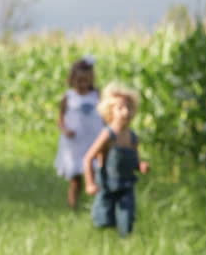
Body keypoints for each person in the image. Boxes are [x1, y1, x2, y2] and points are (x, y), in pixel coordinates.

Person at [83, 83, 150, 237]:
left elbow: (135, 159)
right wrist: (90, 183)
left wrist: (141, 166)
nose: (125, 112)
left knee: (127, 214)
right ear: (110, 110)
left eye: (129, 107)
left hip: (126, 182)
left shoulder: (132, 137)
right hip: (107, 183)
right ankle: (103, 237)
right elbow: (88, 158)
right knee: (104, 217)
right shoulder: (108, 135)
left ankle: (125, 237)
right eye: (120, 108)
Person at [54, 56, 104, 210]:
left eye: (86, 81)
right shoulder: (68, 97)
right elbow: (60, 118)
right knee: (75, 179)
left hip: (93, 141)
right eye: (79, 81)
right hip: (74, 144)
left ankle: (96, 208)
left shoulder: (97, 95)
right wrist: (65, 130)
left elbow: (105, 114)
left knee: (94, 175)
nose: (82, 84)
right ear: (72, 80)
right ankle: (73, 207)